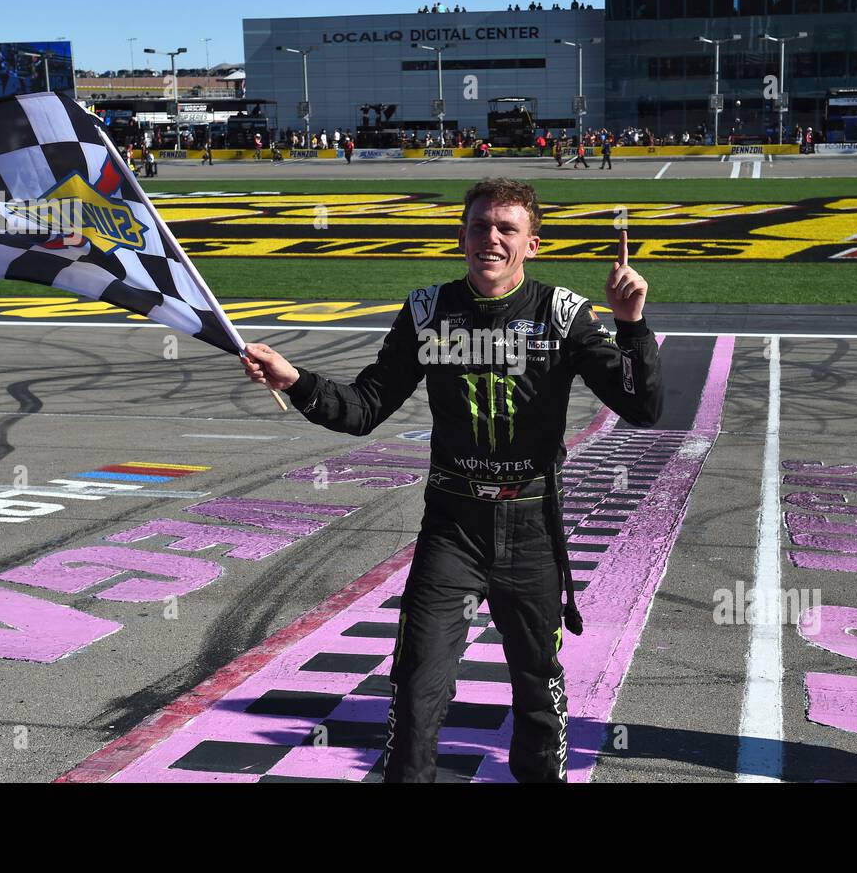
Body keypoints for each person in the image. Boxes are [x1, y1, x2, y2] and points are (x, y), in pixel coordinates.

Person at [240, 178, 663, 782]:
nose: (490, 238)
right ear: (461, 237)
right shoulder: (425, 310)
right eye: (479, 226)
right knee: (416, 688)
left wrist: (631, 325)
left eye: (506, 228)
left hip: (533, 532)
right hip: (452, 531)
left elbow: (643, 407)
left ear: (532, 244)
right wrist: (294, 381)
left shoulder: (565, 313)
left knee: (539, 698)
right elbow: (365, 406)